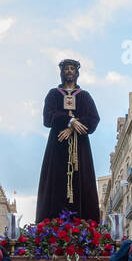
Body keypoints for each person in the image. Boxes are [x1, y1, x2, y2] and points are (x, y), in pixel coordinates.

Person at [36, 59, 101, 222]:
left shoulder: (85, 96)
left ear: (77, 73)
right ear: (61, 73)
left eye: (72, 68)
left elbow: (94, 119)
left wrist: (72, 127)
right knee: (56, 182)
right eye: (66, 69)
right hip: (58, 147)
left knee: (82, 181)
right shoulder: (53, 94)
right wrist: (69, 120)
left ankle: (83, 225)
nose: (69, 71)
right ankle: (53, 224)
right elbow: (47, 118)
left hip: (80, 149)